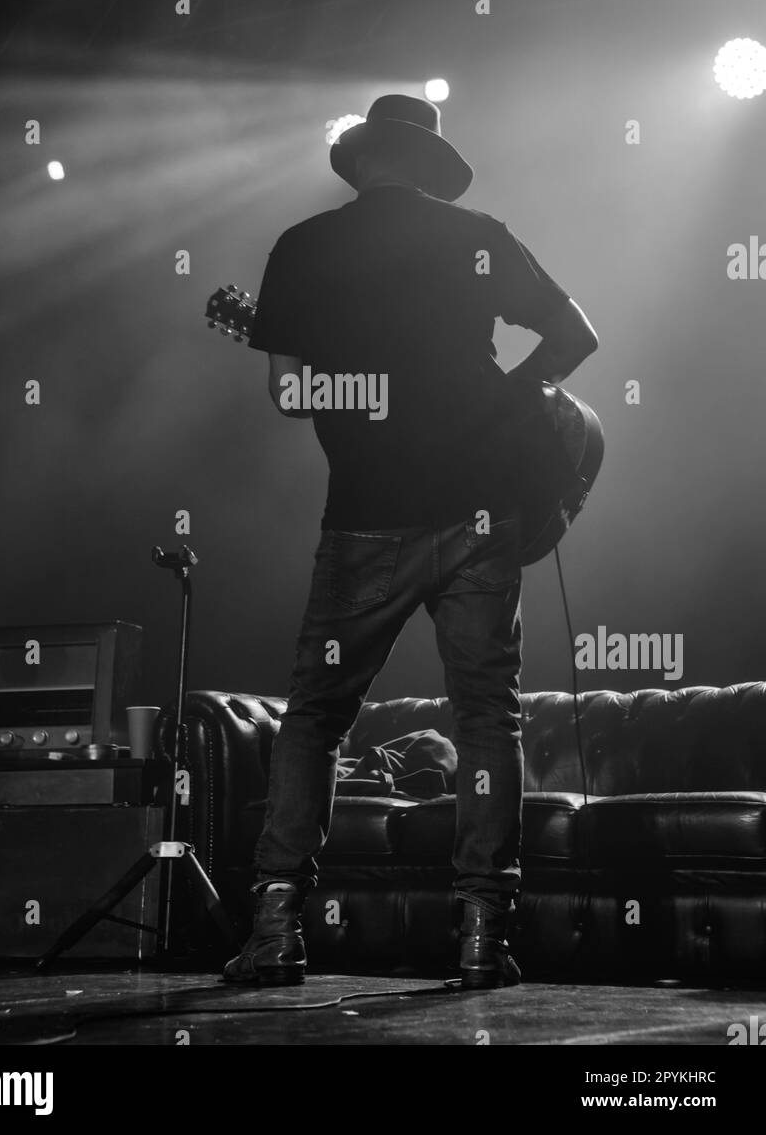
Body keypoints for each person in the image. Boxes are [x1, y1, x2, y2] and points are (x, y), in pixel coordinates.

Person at [223, 94, 598, 989]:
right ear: (427, 164)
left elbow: (289, 396)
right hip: (480, 516)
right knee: (487, 720)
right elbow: (576, 334)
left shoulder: (303, 247)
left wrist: (356, 392)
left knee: (313, 718)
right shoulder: (480, 234)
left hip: (365, 518)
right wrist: (503, 401)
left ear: (360, 162)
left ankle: (276, 931)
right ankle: (481, 942)